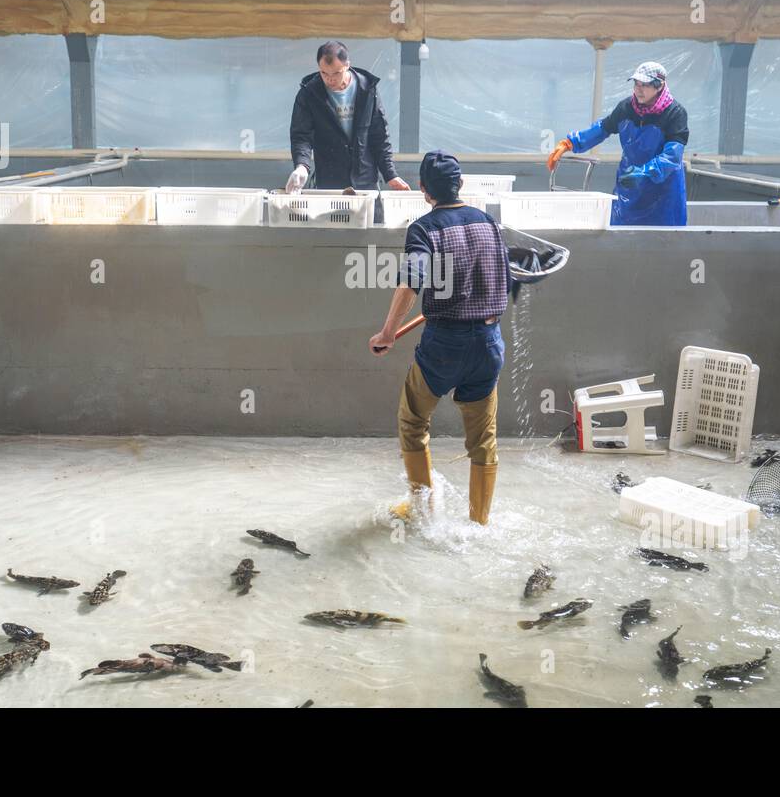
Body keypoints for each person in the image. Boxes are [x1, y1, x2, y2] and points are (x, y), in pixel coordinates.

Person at [369, 151, 510, 525]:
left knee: (413, 422)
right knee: (484, 439)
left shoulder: (424, 228)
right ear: (460, 184)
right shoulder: (490, 224)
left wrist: (387, 332)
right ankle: (480, 522)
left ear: (423, 189)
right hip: (489, 344)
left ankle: (421, 511)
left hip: (444, 346)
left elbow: (411, 280)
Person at [545, 60, 689, 226]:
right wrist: (570, 143)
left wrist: (644, 173)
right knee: (622, 239)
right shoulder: (626, 107)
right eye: (636, 83)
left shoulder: (675, 113)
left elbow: (672, 156)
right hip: (629, 184)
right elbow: (603, 128)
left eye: (645, 85)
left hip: (663, 192)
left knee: (661, 243)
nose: (638, 89)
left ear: (659, 86)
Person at [287, 41, 409, 193]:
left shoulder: (367, 89)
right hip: (329, 180)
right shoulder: (309, 94)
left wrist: (391, 174)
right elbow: (301, 136)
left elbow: (379, 136)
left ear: (347, 65)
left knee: (370, 216)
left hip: (365, 179)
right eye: (324, 73)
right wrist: (302, 166)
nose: (330, 79)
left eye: (336, 73)